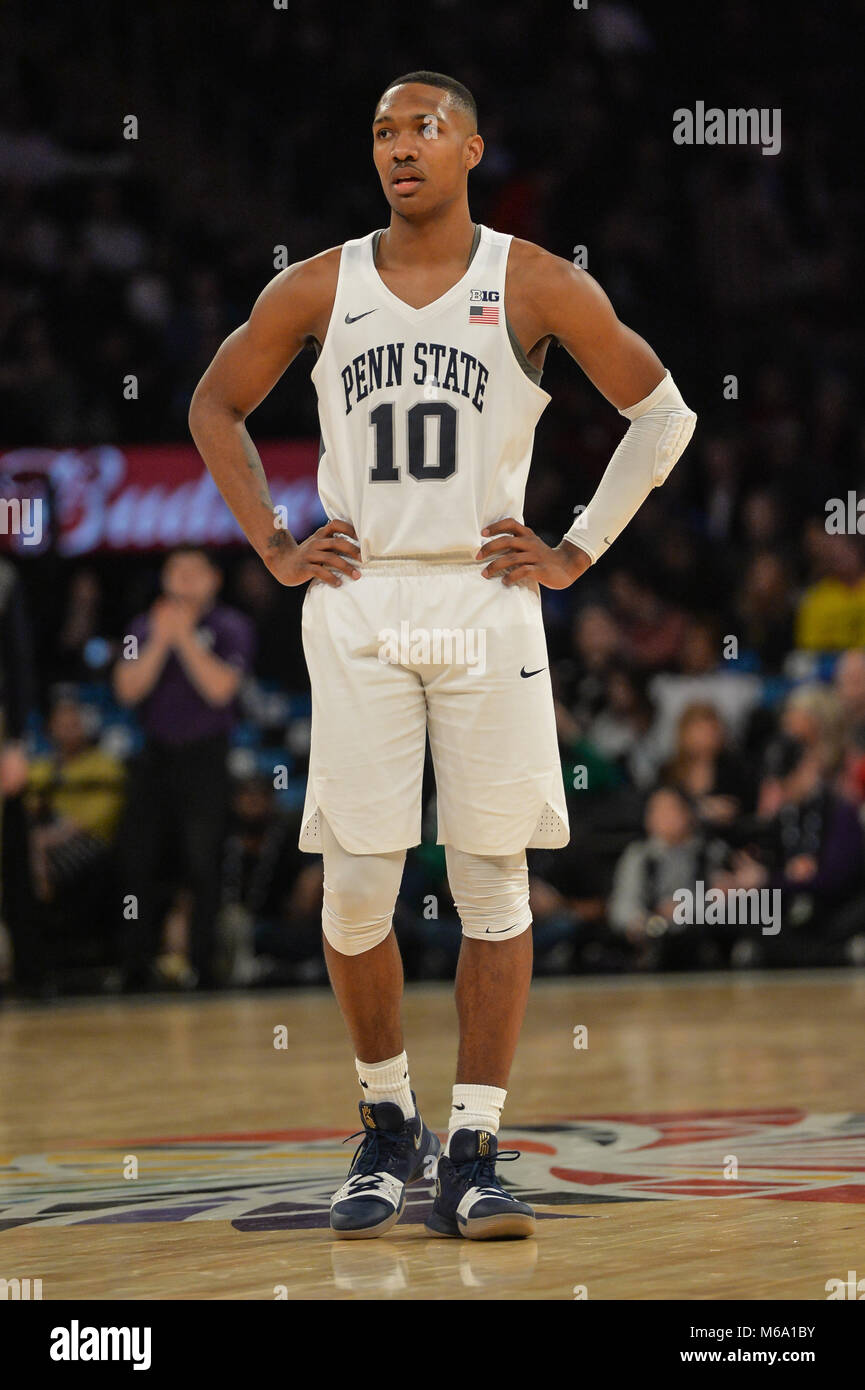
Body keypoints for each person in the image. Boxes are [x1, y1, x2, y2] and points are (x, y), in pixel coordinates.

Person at [189, 71, 696, 1241]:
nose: (399, 147)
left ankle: (473, 1148)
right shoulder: (319, 283)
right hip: (362, 600)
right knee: (358, 890)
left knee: (490, 882)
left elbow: (663, 413)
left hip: (483, 600)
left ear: (471, 146)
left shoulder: (534, 279)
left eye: (422, 127)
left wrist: (575, 551)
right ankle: (385, 1122)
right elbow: (214, 406)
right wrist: (270, 541)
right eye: (380, 131)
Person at [112, 545, 254, 990]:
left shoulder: (231, 627)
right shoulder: (142, 627)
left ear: (214, 579)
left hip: (207, 757)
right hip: (155, 755)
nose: (185, 580)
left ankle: (204, 967)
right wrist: (161, 638)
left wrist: (184, 637)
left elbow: (220, 689)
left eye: (196, 572)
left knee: (203, 862)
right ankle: (134, 966)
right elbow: (127, 689)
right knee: (138, 861)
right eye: (177, 571)